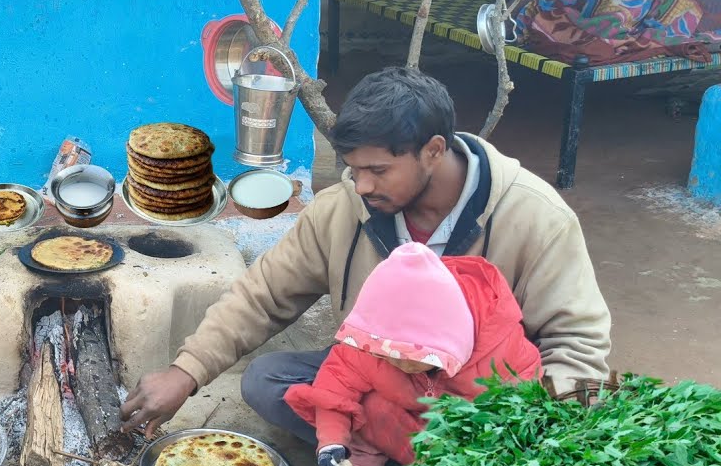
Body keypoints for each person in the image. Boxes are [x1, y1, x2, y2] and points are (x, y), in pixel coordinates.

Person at [120, 66, 611, 440]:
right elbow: (262, 296)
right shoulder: (344, 207)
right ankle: (385, 458)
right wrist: (186, 373)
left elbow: (579, 343)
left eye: (378, 169)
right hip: (384, 383)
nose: (362, 184)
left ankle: (409, 464)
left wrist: (524, 427)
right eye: (353, 169)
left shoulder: (535, 217)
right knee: (269, 380)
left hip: (481, 403)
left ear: (434, 151)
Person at [285, 242, 542, 466]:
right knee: (371, 404)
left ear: (446, 343)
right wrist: (332, 441)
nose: (395, 362)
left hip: (460, 443)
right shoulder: (372, 340)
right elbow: (334, 388)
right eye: (386, 355)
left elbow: (520, 414)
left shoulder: (503, 353)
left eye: (406, 355)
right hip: (401, 427)